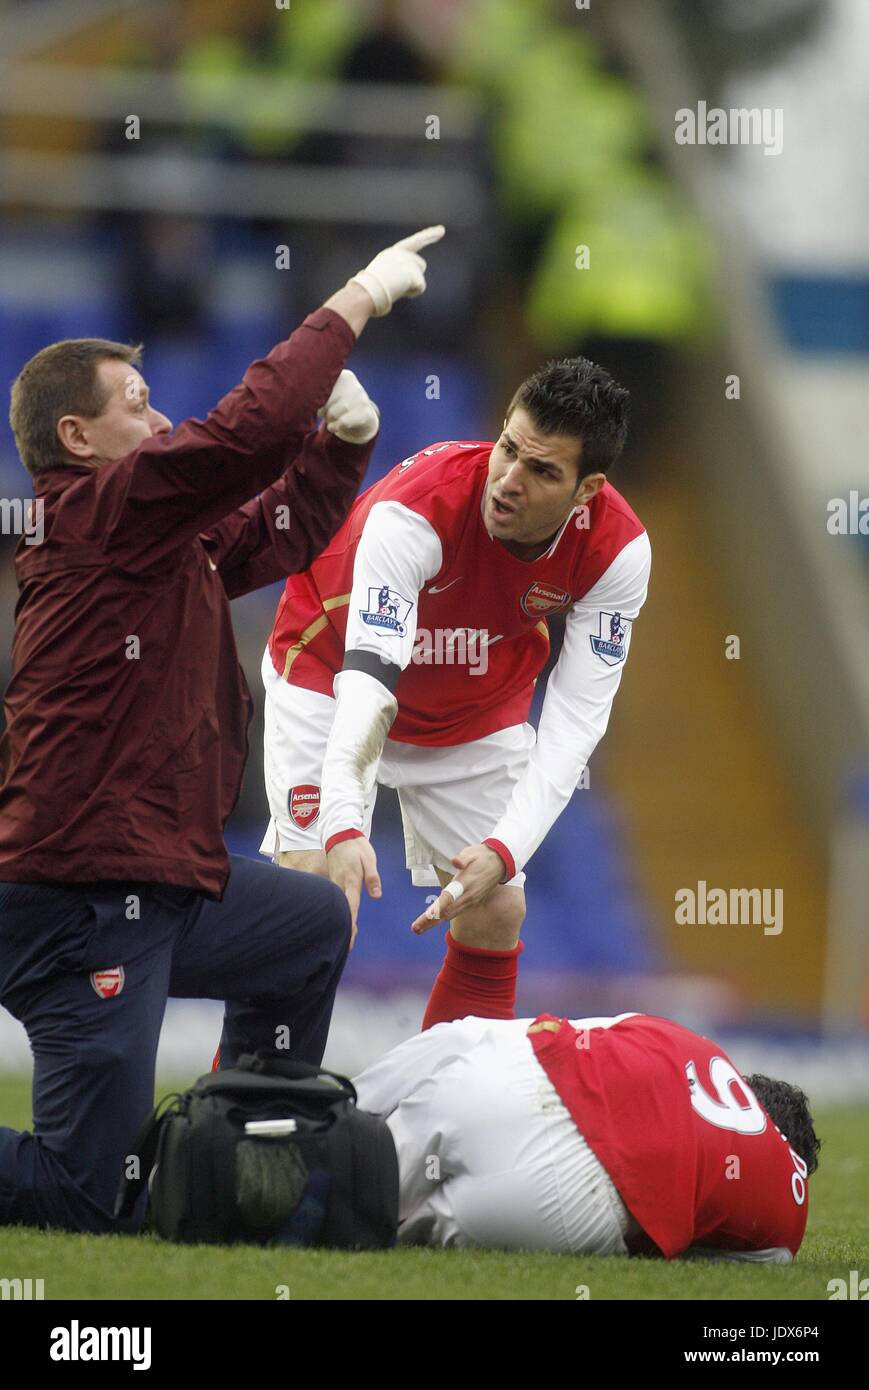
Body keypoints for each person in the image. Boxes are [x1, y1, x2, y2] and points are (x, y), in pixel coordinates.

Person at [0, 225, 445, 1233]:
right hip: (82, 896)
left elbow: (278, 528)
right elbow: (247, 435)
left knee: (309, 926)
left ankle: (248, 1152)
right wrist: (355, 299)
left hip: (158, 877)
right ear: (77, 438)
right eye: (136, 403)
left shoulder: (153, 535)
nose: (160, 417)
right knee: (86, 1194)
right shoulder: (100, 510)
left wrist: (341, 447)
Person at [258, 358, 651, 1028]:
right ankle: (250, 1090)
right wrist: (344, 822)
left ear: (587, 489)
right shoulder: (414, 510)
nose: (509, 480)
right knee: (312, 891)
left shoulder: (617, 552)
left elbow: (576, 720)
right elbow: (369, 676)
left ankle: (450, 1088)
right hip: (330, 663)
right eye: (508, 449)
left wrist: (505, 852)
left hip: (472, 700)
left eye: (542, 471)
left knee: (496, 908)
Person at [353, 1011, 819, 1259]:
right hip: (567, 1196)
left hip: (512, 1070)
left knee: (344, 1164)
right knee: (357, 1222)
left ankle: (327, 1115)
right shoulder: (787, 1208)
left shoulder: (689, 1042)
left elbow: (539, 1032)